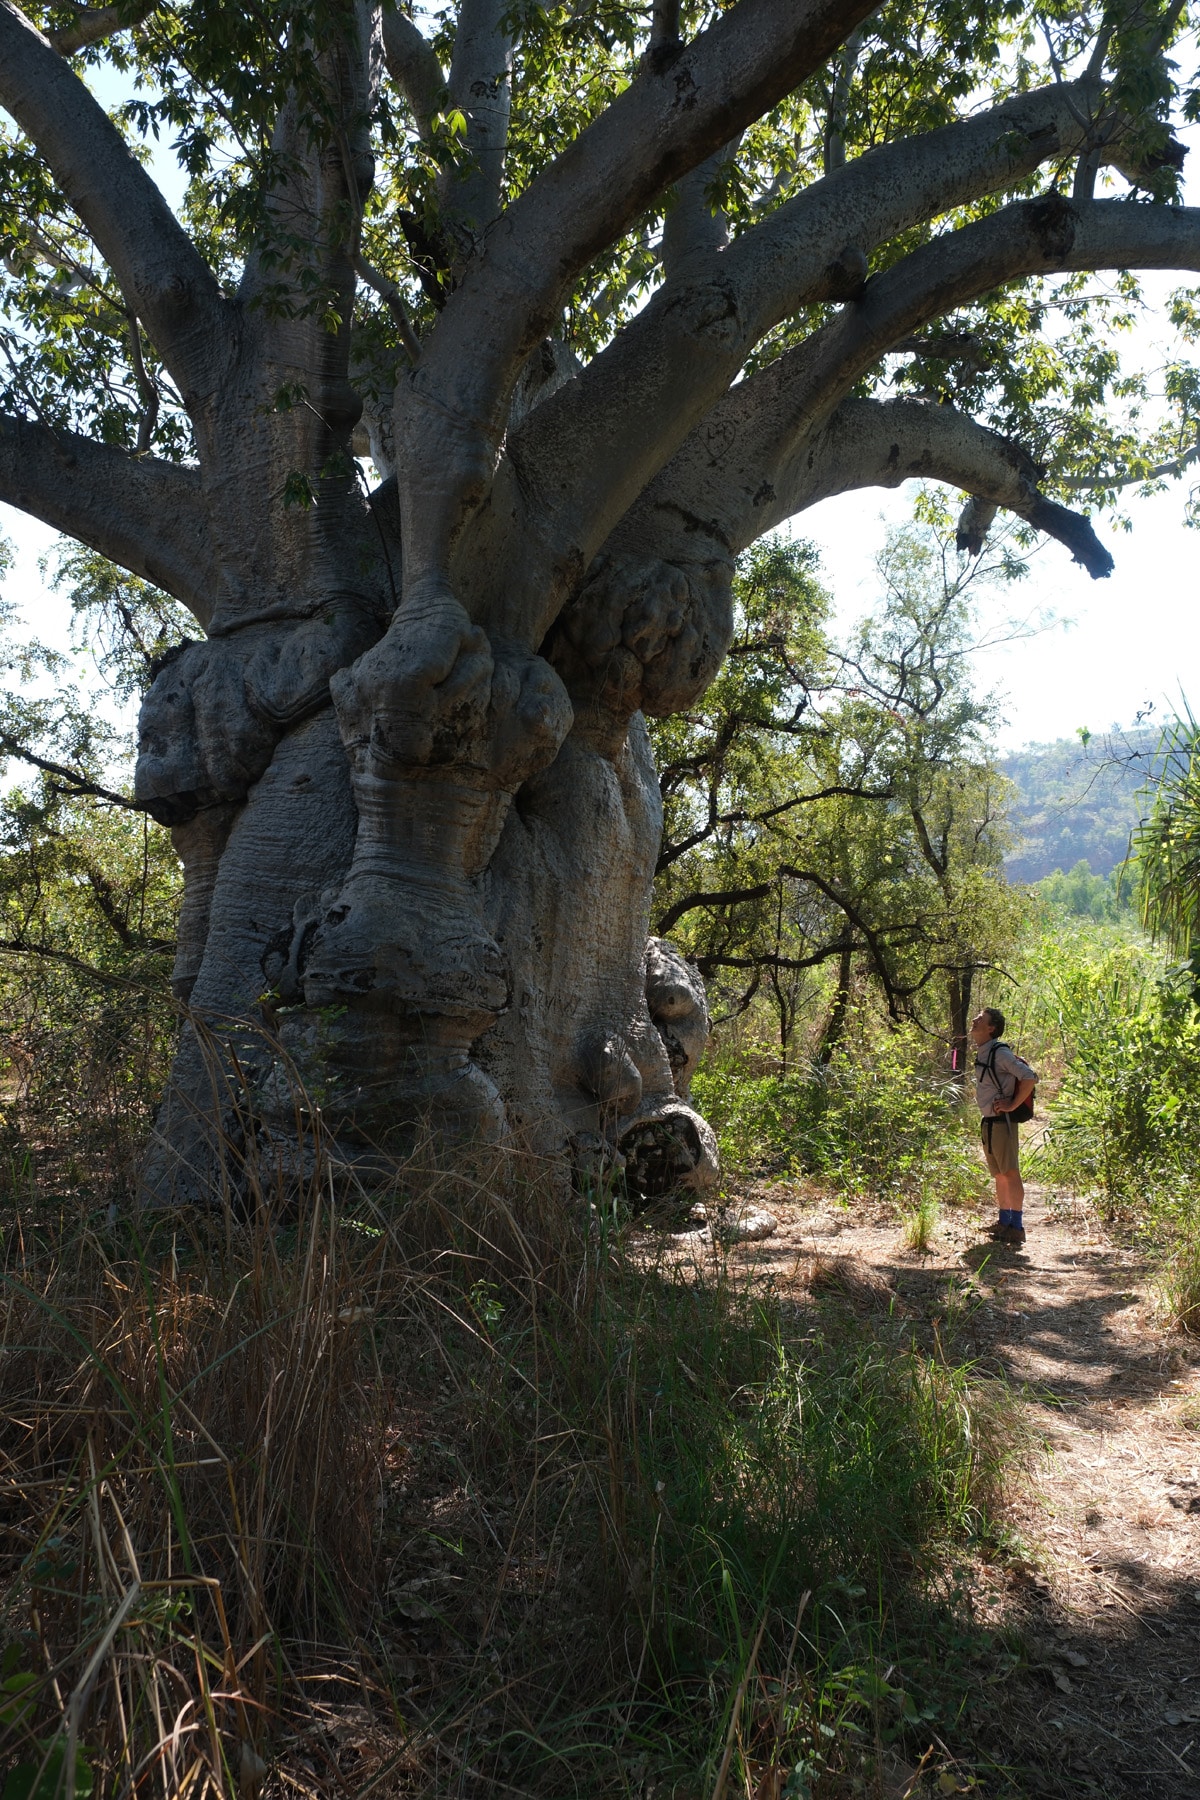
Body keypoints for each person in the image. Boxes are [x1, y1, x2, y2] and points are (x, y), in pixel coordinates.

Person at [971, 1007, 1037, 1247]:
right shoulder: (984, 1051)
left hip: (1003, 1123)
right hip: (989, 1122)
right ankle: (1004, 1222)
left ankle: (1017, 1227)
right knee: (999, 1174)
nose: (975, 1020)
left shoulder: (999, 1052)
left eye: (981, 1019)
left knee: (1010, 1172)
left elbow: (1029, 1076)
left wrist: (1011, 1104)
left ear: (992, 1028)